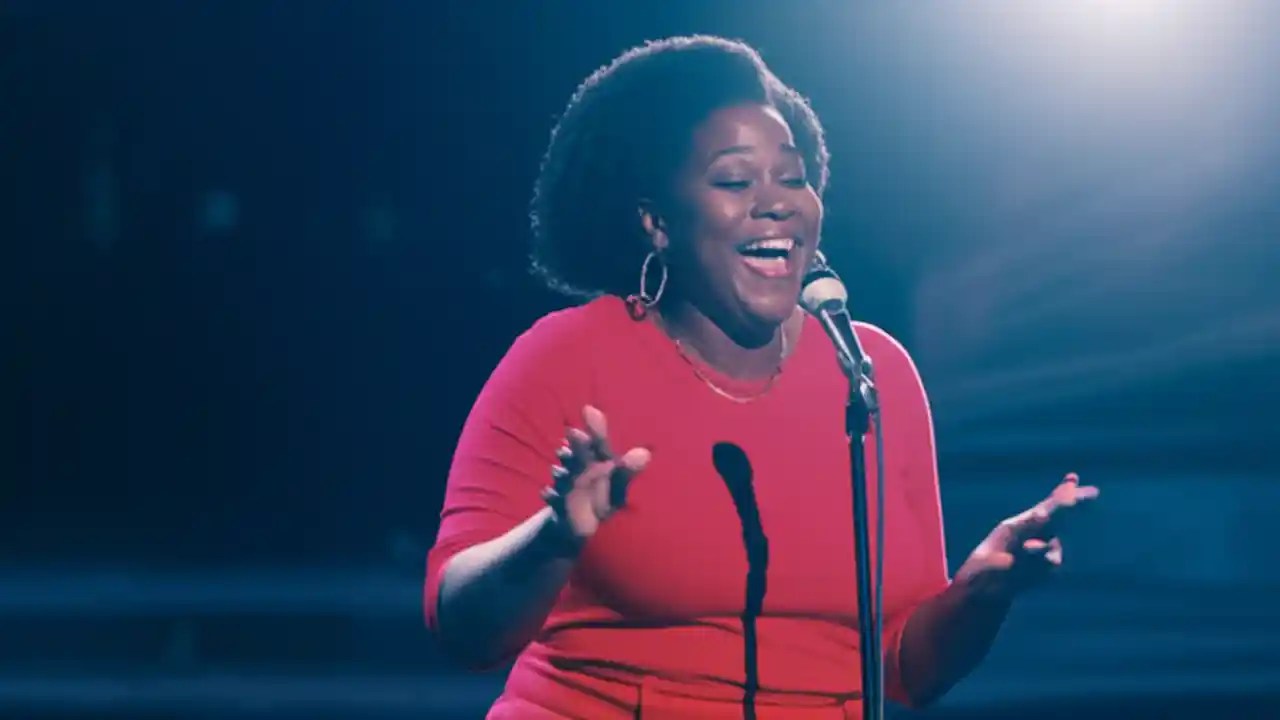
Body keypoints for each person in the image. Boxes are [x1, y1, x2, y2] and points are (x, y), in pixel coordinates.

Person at [424, 35, 1099, 719]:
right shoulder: (569, 357)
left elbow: (903, 672)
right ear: (656, 221)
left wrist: (980, 594)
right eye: (734, 180)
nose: (776, 203)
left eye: (793, 176)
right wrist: (555, 536)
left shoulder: (871, 374)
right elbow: (462, 626)